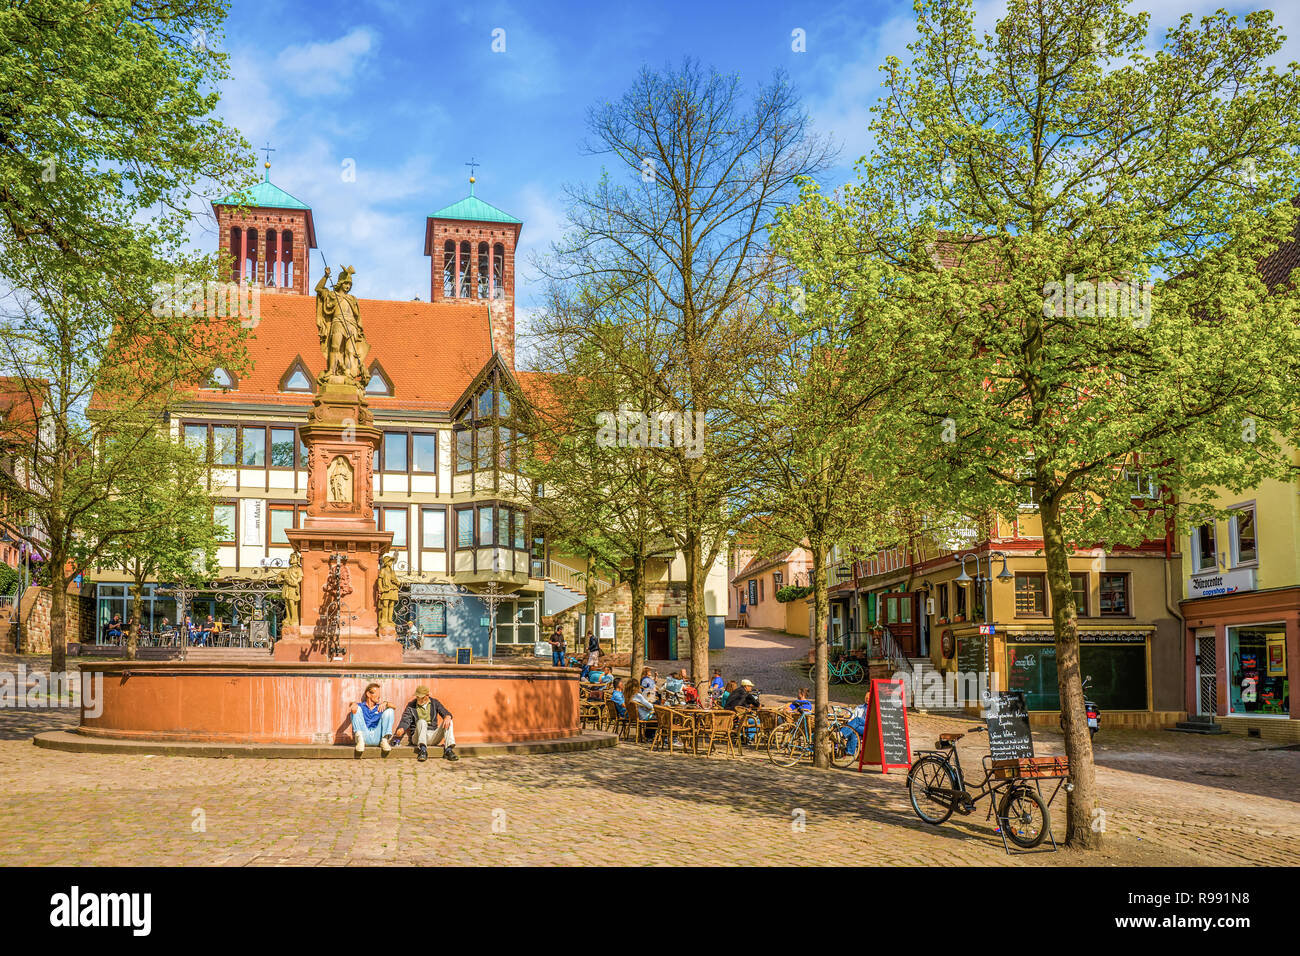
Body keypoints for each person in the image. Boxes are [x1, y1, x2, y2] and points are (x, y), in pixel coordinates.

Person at [393, 685, 458, 762]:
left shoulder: (435, 703)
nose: (418, 699)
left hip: (433, 736)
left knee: (449, 720)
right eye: (417, 697)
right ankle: (423, 751)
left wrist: (447, 716)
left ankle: (449, 750)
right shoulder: (411, 705)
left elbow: (445, 712)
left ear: (427, 696)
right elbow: (405, 719)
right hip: (418, 737)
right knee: (421, 721)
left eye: (421, 697)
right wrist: (401, 728)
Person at [349, 682, 396, 755]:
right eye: (376, 693)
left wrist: (386, 703)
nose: (379, 696)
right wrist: (353, 704)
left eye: (379, 693)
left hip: (377, 737)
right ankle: (360, 740)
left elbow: (394, 706)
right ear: (368, 694)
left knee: (390, 710)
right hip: (364, 737)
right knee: (356, 708)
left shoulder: (380, 707)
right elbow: (352, 705)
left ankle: (385, 740)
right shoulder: (361, 706)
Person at [839, 690, 872, 757]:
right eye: (866, 698)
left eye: (869, 697)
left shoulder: (874, 708)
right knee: (854, 731)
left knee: (857, 720)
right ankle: (849, 753)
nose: (867, 699)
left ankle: (841, 733)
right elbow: (852, 717)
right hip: (861, 728)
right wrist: (850, 721)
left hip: (870, 727)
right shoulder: (859, 707)